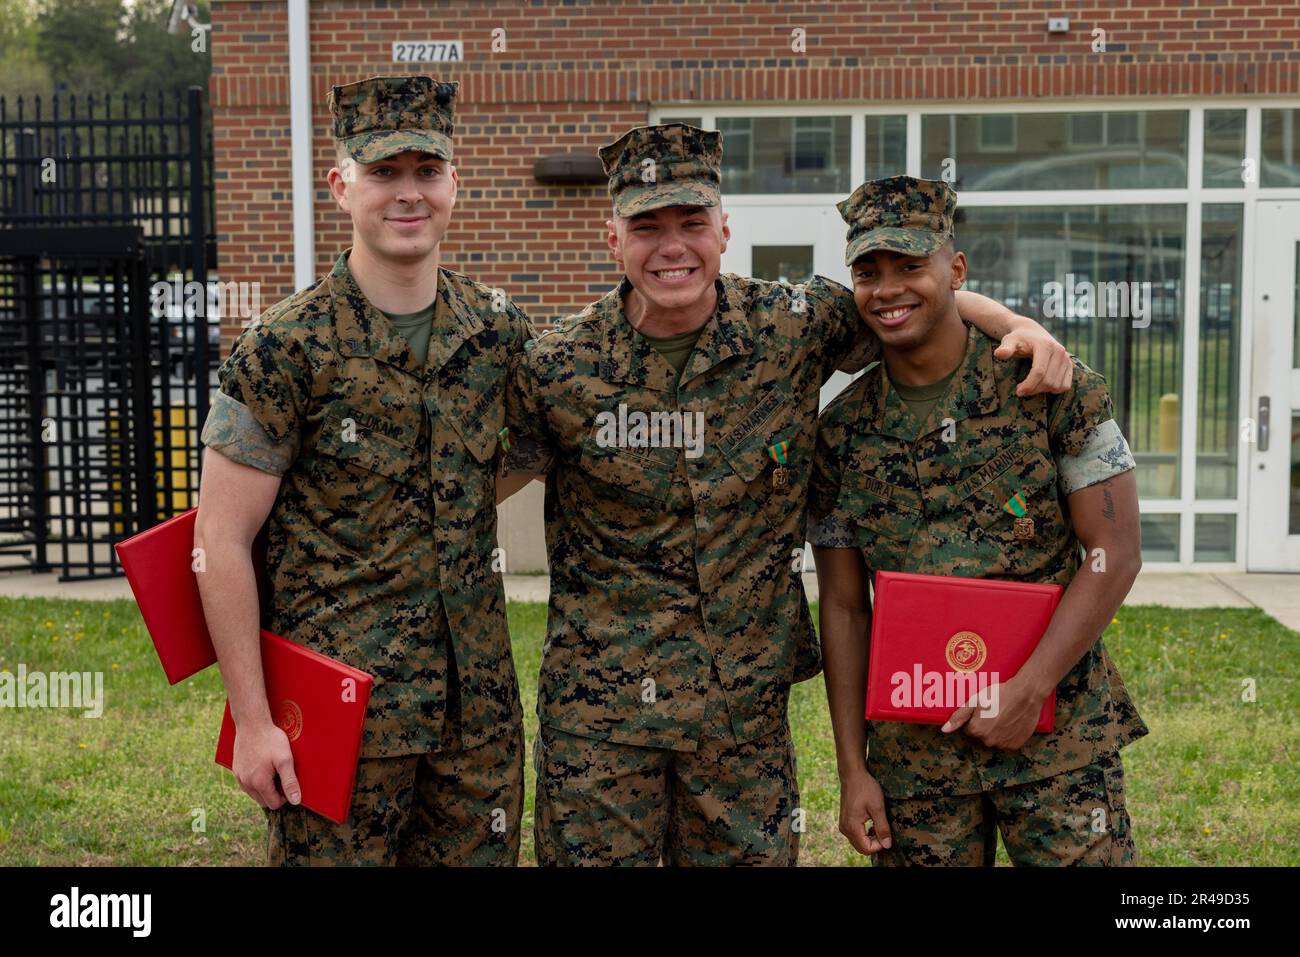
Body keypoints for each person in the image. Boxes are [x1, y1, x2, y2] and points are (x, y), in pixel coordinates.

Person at [503, 124, 1076, 866]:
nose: (671, 246)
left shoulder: (792, 325)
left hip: (741, 717)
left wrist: (1013, 322)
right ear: (613, 241)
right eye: (647, 226)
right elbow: (480, 481)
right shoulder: (558, 366)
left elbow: (906, 299)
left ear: (724, 232)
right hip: (601, 722)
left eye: (692, 223)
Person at [194, 75, 532, 866]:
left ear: (456, 183)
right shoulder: (285, 345)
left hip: (474, 720)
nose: (407, 193)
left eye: (426, 171)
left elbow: (522, 454)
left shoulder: (498, 332)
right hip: (340, 714)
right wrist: (252, 720)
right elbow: (219, 537)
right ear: (341, 186)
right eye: (384, 173)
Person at [810, 175, 1148, 866]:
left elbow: (1114, 551)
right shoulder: (841, 434)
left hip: (1055, 741)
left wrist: (1031, 687)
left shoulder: (1050, 388)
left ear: (955, 270)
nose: (889, 288)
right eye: (869, 272)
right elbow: (845, 606)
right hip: (915, 754)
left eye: (911, 265)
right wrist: (853, 768)